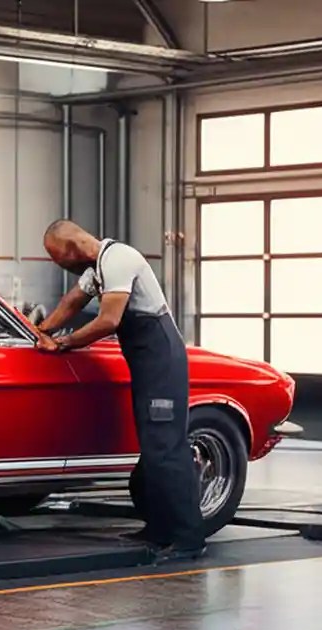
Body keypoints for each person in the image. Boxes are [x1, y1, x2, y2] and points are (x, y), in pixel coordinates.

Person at [35, 219, 205, 562]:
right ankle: (158, 529)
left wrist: (65, 343)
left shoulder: (119, 259)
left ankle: (189, 539)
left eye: (58, 259)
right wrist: (39, 330)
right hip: (145, 363)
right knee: (152, 450)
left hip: (162, 361)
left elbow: (109, 321)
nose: (59, 266)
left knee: (166, 450)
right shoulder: (97, 268)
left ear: (72, 248)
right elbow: (73, 301)